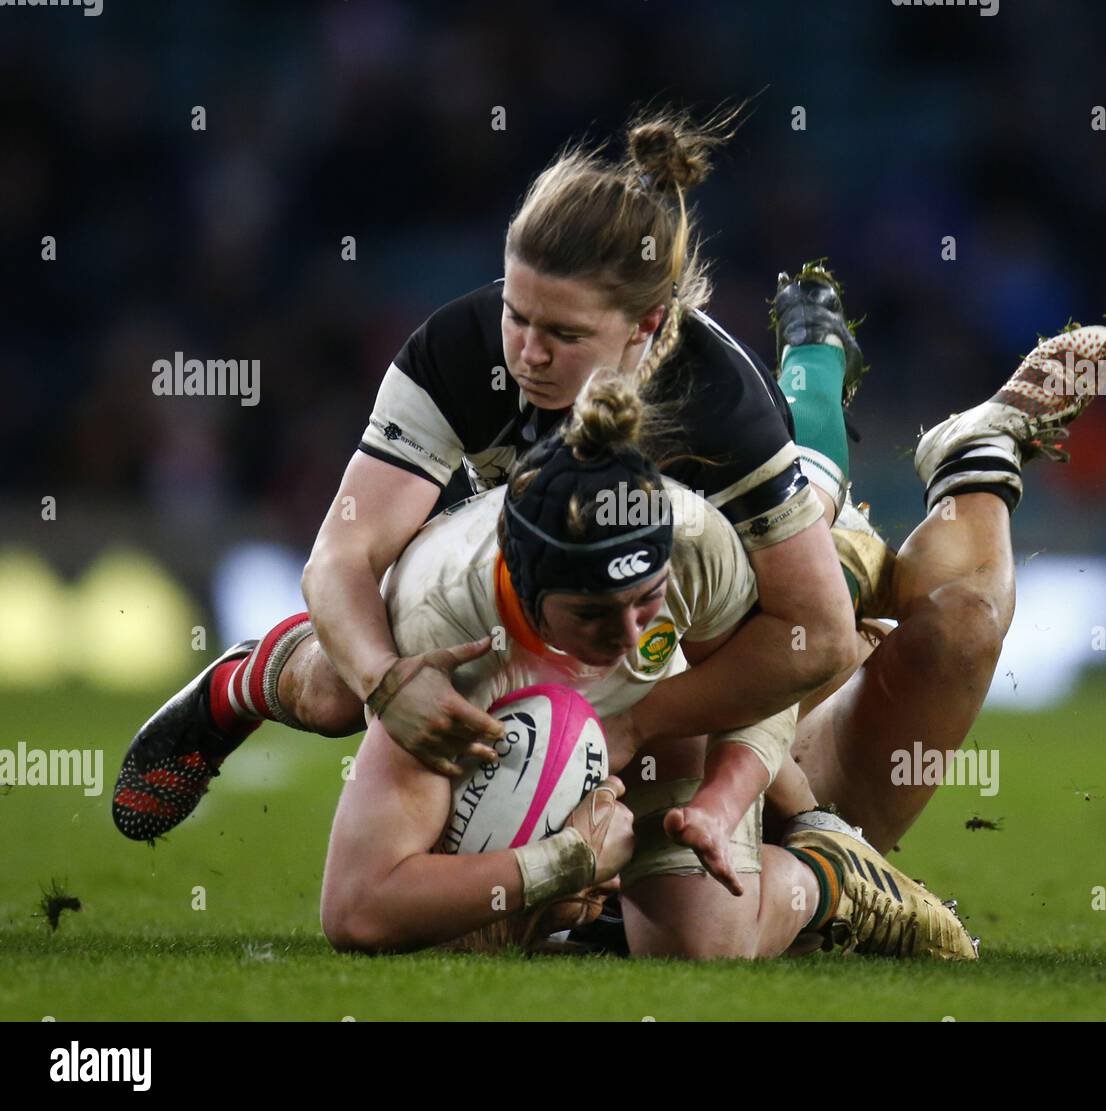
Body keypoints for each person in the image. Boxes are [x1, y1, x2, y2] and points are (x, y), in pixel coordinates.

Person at [112, 107, 863, 843]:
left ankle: (815, 359)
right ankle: (240, 683)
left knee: (816, 518)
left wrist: (634, 724)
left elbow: (817, 635)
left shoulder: (723, 406)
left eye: (564, 334)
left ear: (647, 326)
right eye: (518, 314)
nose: (528, 354)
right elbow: (341, 556)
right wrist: (385, 682)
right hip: (532, 569)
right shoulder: (457, 351)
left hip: (669, 596)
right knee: (340, 690)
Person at [320, 372, 977, 961]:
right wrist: (560, 863)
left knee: (706, 942)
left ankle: (831, 877)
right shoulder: (446, 630)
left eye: (647, 602)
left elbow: (779, 676)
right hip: (495, 697)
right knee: (326, 695)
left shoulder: (694, 542)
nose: (631, 634)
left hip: (659, 712)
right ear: (525, 592)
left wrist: (720, 801)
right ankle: (222, 700)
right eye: (596, 618)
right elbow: (357, 908)